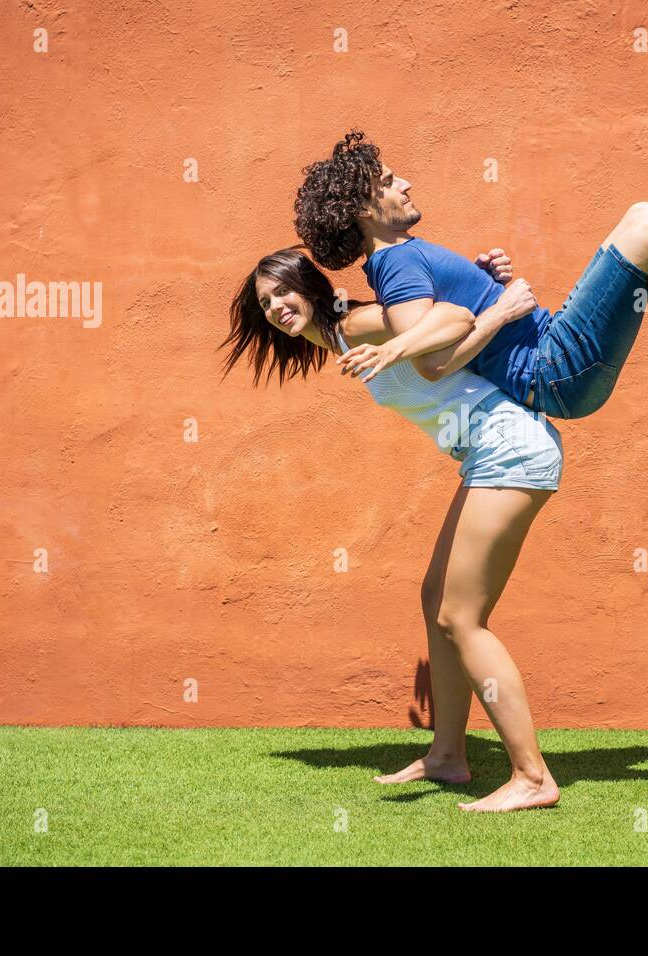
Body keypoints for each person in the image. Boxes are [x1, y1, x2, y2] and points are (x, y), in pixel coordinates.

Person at [222, 245, 567, 812]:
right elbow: (438, 319)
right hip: (485, 452)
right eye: (265, 302)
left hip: (510, 446)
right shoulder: (338, 340)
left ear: (309, 286)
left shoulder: (357, 323)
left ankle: (532, 777)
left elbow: (452, 316)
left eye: (283, 290)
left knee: (461, 617)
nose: (277, 306)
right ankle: (448, 756)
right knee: (435, 596)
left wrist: (498, 309)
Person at [294, 130, 648, 418]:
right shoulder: (394, 262)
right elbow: (431, 360)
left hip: (554, 359)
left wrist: (482, 281)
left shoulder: (400, 258)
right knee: (647, 227)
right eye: (391, 181)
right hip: (552, 369)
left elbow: (439, 324)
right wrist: (498, 312)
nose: (406, 185)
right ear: (364, 207)